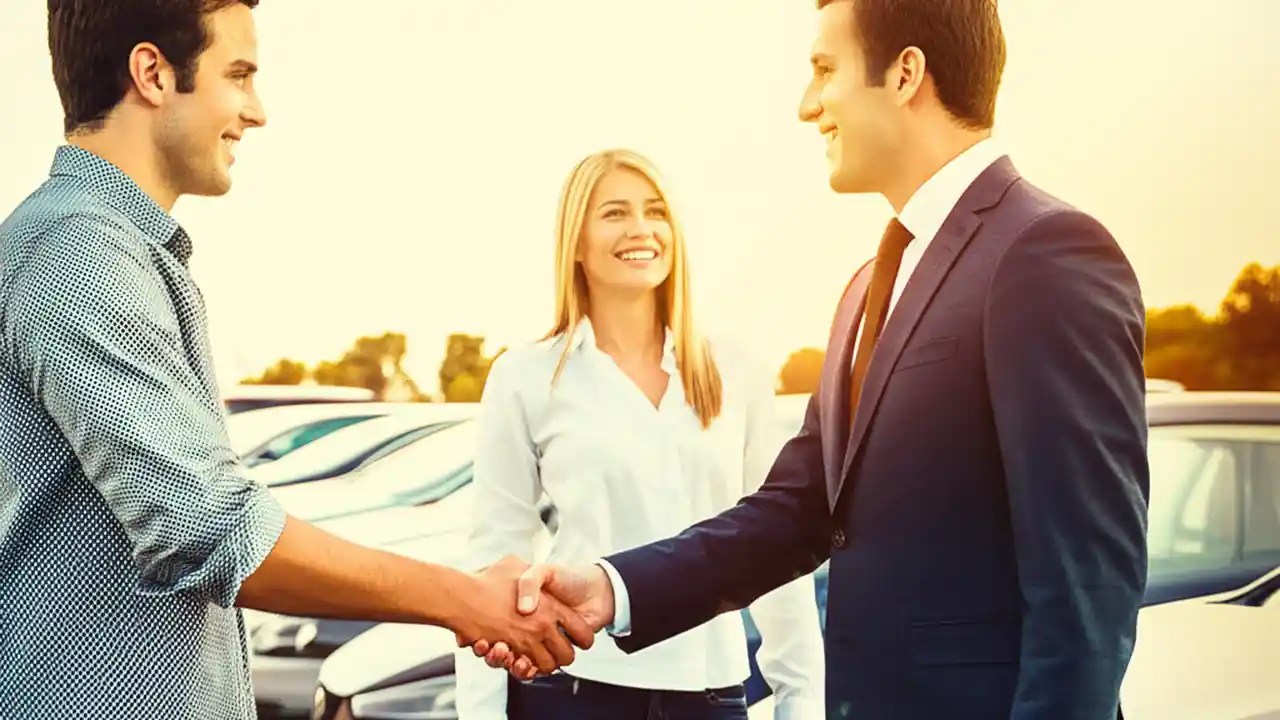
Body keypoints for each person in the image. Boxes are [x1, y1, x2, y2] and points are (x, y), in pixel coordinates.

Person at [476, 2, 1150, 718]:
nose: (807, 106)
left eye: (824, 71)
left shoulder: (1045, 253)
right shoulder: (867, 289)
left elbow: (1087, 596)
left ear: (905, 74)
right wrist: (614, 588)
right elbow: (795, 512)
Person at [0, 3, 589, 718]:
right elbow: (208, 528)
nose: (257, 111)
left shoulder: (112, 250)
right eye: (239, 75)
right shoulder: (80, 253)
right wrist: (467, 601)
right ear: (152, 73)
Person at [455, 149, 825, 720]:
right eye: (615, 214)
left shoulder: (735, 367)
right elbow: (492, 559)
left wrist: (800, 703)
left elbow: (778, 544)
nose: (641, 229)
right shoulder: (525, 375)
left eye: (655, 212)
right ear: (575, 242)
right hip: (573, 690)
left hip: (713, 694)